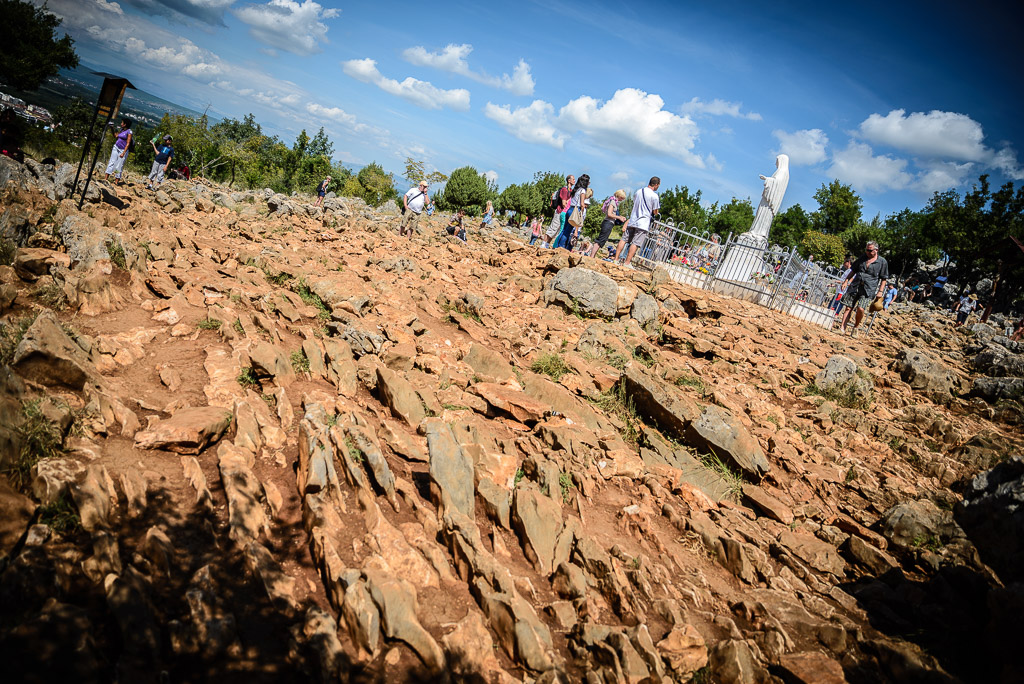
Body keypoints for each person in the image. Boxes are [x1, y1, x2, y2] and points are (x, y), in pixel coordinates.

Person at [839, 241, 889, 337]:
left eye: (870, 250)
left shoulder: (882, 262)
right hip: (856, 285)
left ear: (876, 250)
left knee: (861, 309)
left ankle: (856, 328)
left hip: (868, 289)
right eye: (866, 250)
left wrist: (880, 292)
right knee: (848, 307)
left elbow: (884, 279)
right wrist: (846, 281)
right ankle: (842, 328)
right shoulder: (862, 258)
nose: (867, 252)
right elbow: (853, 270)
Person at [615, 176, 661, 267]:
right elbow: (655, 211)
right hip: (643, 222)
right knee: (635, 243)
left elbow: (635, 202)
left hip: (633, 219)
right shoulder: (654, 196)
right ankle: (627, 263)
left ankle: (616, 259)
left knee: (624, 239)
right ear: (656, 185)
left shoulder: (639, 191)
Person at [554, 175, 589, 250]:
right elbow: (582, 204)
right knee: (568, 231)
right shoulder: (582, 190)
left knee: (564, 229)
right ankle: (561, 247)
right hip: (575, 210)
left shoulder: (575, 189)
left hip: (569, 209)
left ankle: (557, 245)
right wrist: (581, 213)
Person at [589, 189, 628, 257]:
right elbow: (609, 214)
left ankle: (593, 255)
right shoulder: (612, 202)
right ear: (619, 195)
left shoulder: (612, 201)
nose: (622, 200)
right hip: (608, 223)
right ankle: (592, 256)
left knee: (602, 240)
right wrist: (619, 218)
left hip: (609, 222)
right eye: (621, 198)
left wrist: (620, 216)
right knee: (600, 240)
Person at [543, 174, 574, 248]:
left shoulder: (571, 191)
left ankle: (547, 244)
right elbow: (564, 203)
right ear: (569, 180)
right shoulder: (564, 190)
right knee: (553, 229)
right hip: (560, 211)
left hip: (563, 213)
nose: (574, 181)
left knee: (557, 230)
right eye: (573, 179)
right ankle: (544, 244)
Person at [104, 118, 133, 184]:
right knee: (111, 162)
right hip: (116, 147)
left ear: (125, 124)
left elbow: (128, 143)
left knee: (119, 165)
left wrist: (123, 153)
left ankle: (116, 180)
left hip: (123, 150)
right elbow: (115, 136)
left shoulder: (129, 132)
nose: (121, 124)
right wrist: (112, 128)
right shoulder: (121, 130)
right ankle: (106, 178)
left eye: (122, 123)